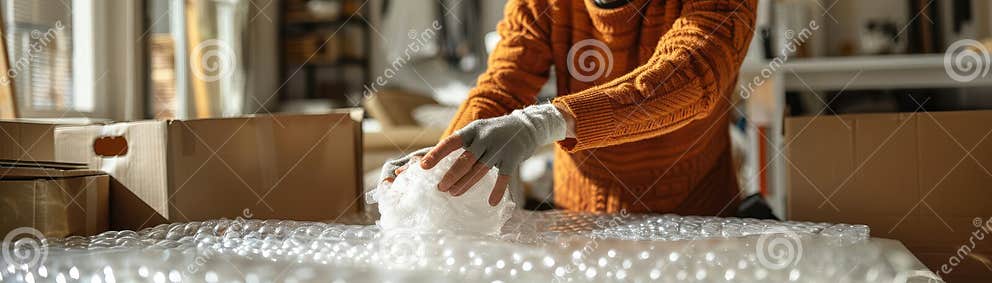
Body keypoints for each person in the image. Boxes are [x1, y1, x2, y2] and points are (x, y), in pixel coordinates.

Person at [379, 0, 757, 216]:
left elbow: (692, 75)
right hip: (580, 220)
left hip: (697, 220)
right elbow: (503, 84)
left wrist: (545, 122)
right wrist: (445, 159)